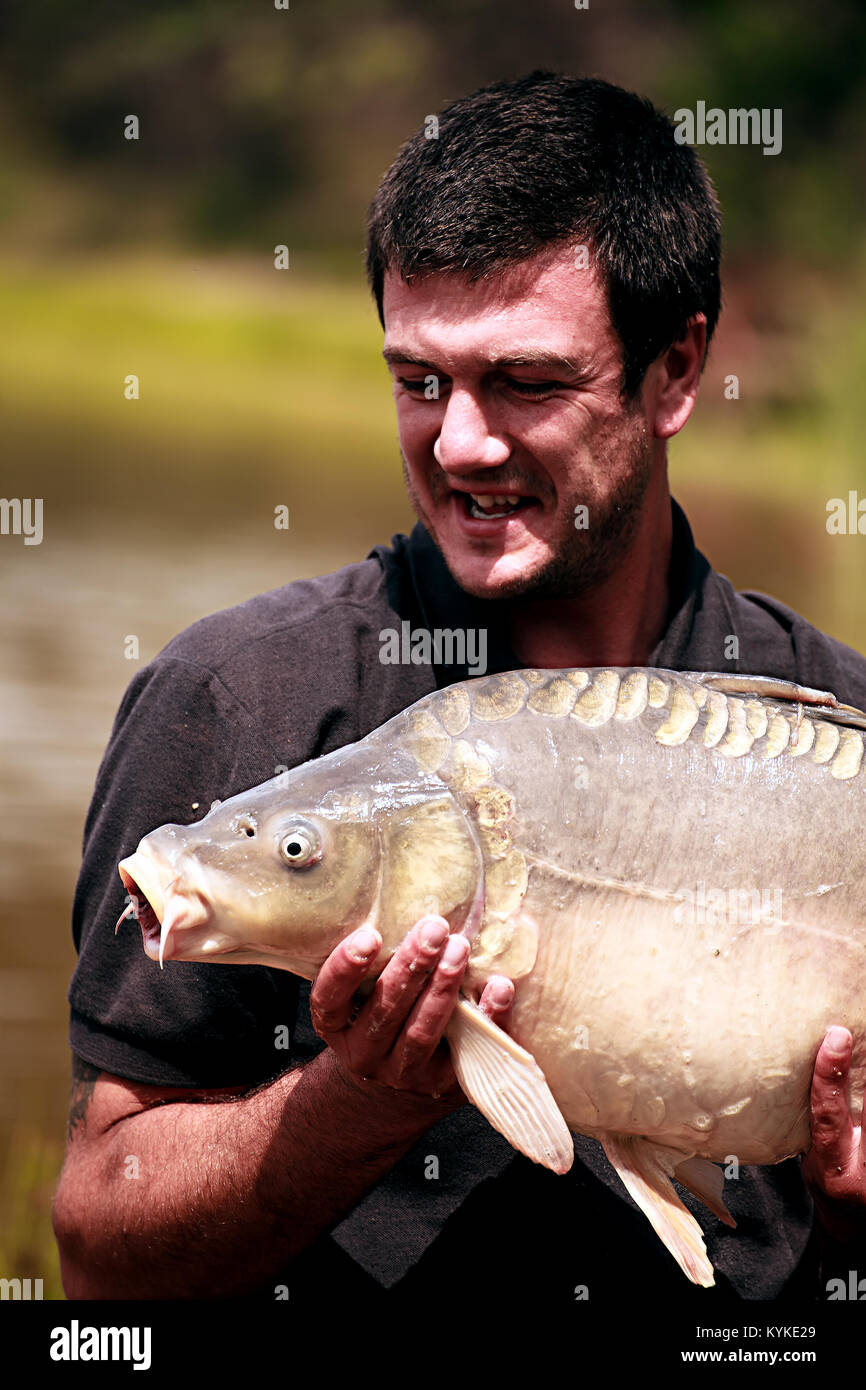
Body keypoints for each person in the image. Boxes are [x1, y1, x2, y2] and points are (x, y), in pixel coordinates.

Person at [53, 71, 866, 1307]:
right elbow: (102, 1265)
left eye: (525, 383)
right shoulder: (238, 701)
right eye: (418, 379)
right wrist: (359, 1099)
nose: (459, 443)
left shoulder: (827, 708)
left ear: (676, 371)